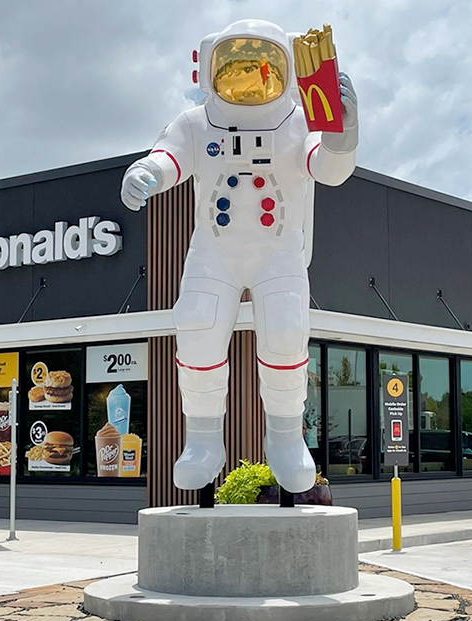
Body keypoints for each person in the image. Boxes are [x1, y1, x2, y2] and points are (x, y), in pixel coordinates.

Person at [121, 19, 359, 493]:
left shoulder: (299, 121)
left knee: (288, 333)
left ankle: (287, 438)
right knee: (197, 329)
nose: (248, 77)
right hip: (214, 252)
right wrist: (143, 172)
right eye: (234, 66)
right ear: (208, 69)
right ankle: (204, 440)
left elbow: (330, 171)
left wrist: (342, 133)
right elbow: (168, 157)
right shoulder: (195, 123)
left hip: (279, 253)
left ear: (286, 67)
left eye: (261, 67)